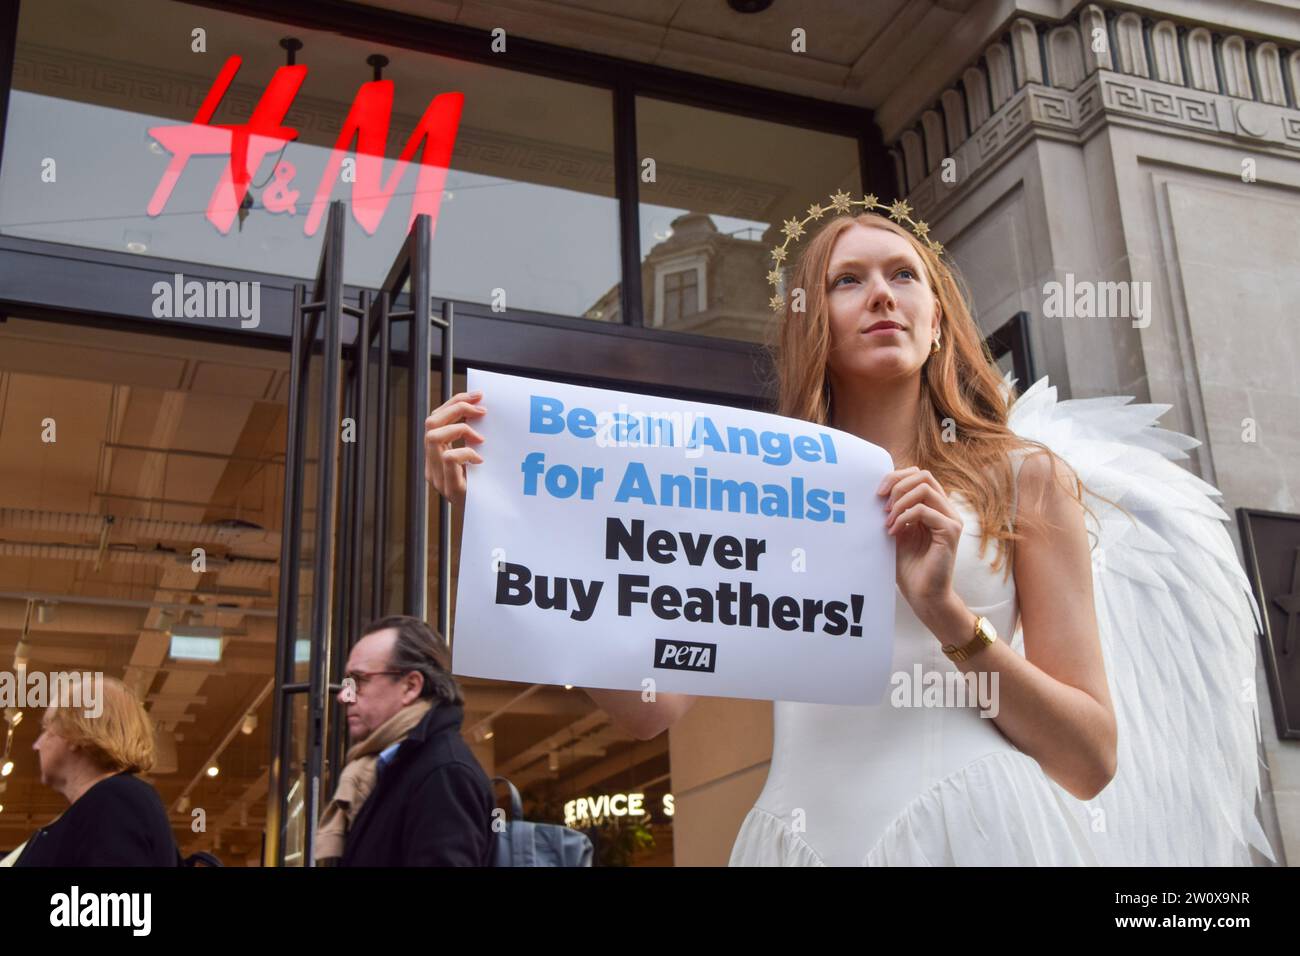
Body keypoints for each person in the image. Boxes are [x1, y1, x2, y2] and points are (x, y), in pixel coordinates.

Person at [319, 615, 494, 866]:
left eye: (359, 680)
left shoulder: (444, 773)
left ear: (411, 686)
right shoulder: (389, 768)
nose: (344, 696)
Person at [13, 675, 179, 867]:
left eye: (48, 730)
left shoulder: (115, 800)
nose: (37, 745)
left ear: (75, 733)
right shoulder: (109, 804)